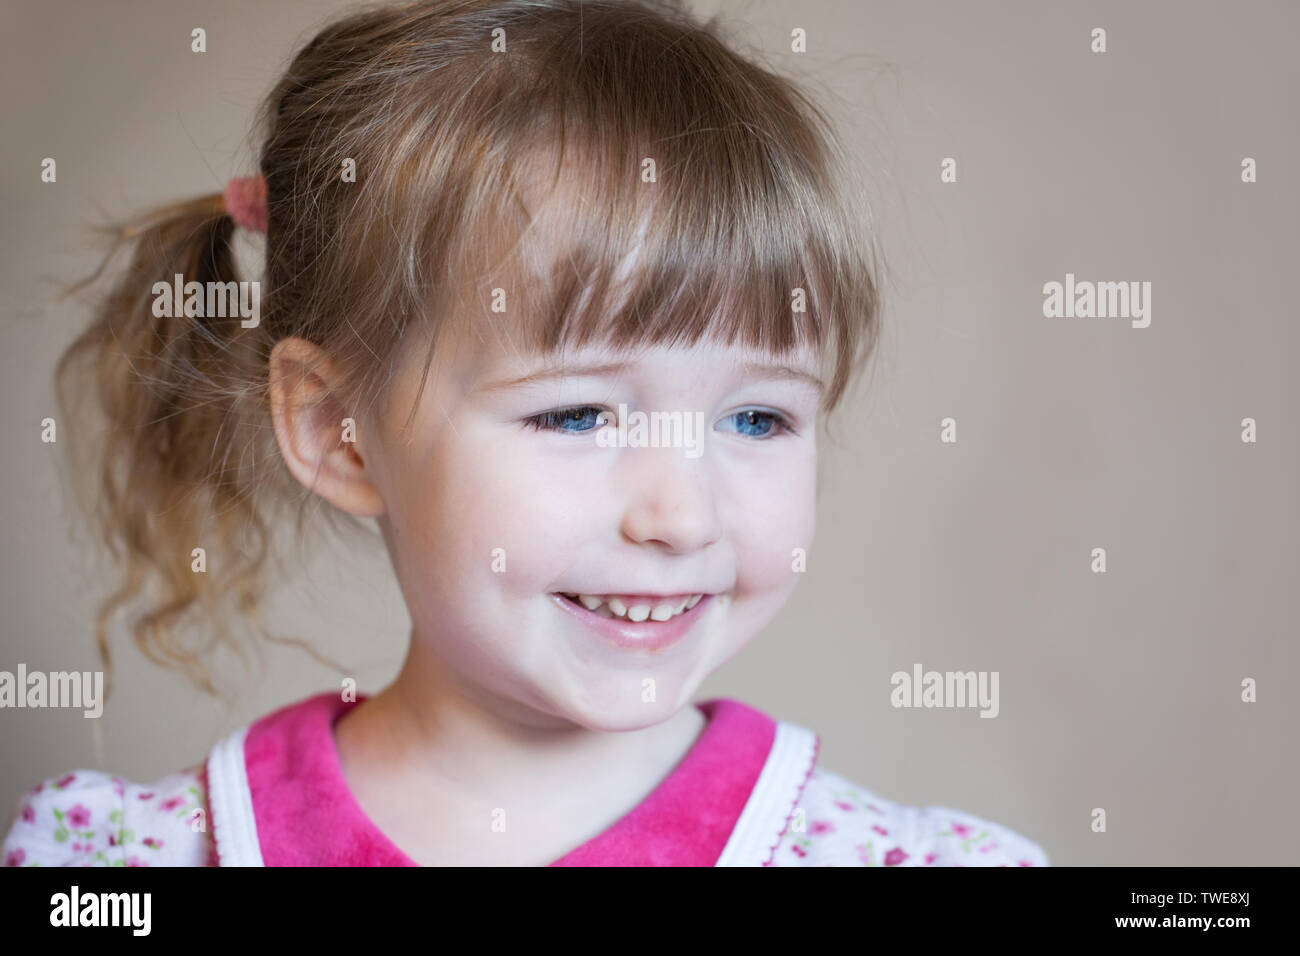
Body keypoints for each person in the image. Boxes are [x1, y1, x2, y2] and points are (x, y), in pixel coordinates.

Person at [3, 0, 1048, 867]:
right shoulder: (121, 862)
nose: (681, 514)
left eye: (756, 415)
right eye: (578, 411)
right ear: (337, 429)